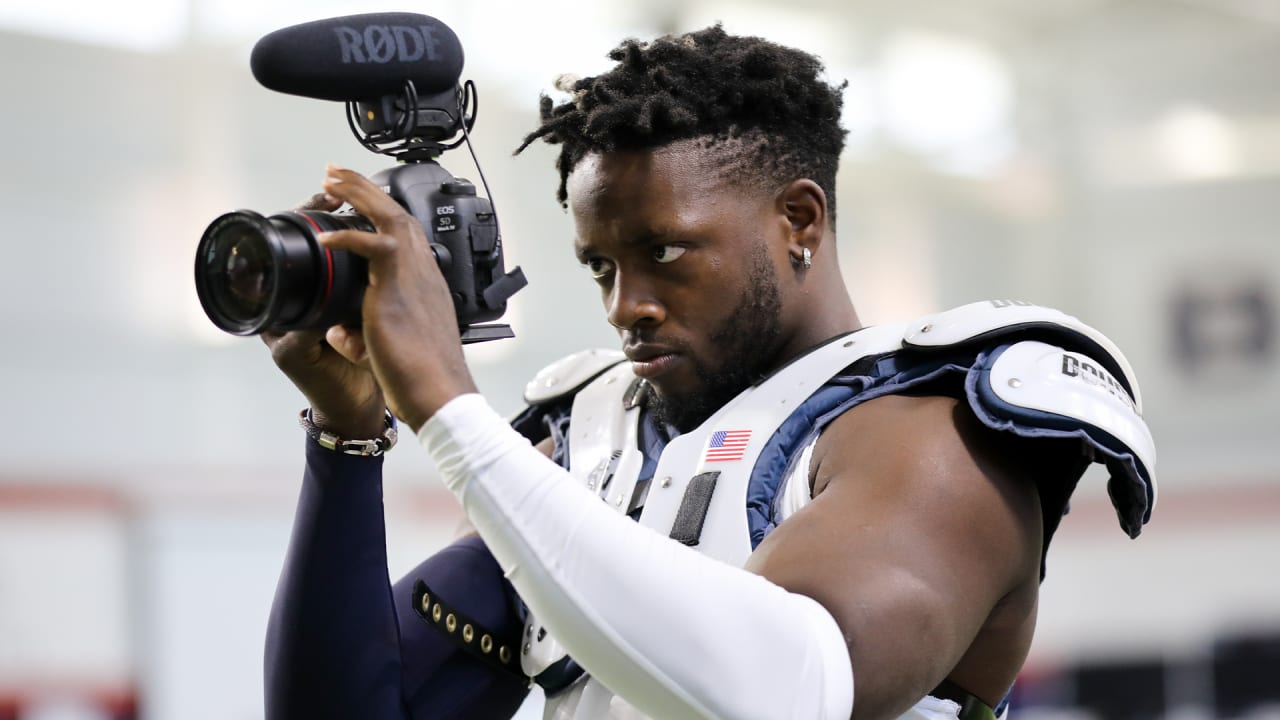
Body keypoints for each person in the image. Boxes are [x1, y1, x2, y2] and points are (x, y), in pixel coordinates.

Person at [260, 25, 1156, 720]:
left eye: (665, 252)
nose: (626, 305)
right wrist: (349, 439)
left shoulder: (934, 428)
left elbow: (786, 693)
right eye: (602, 267)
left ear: (798, 221)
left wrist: (449, 406)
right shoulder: (592, 442)